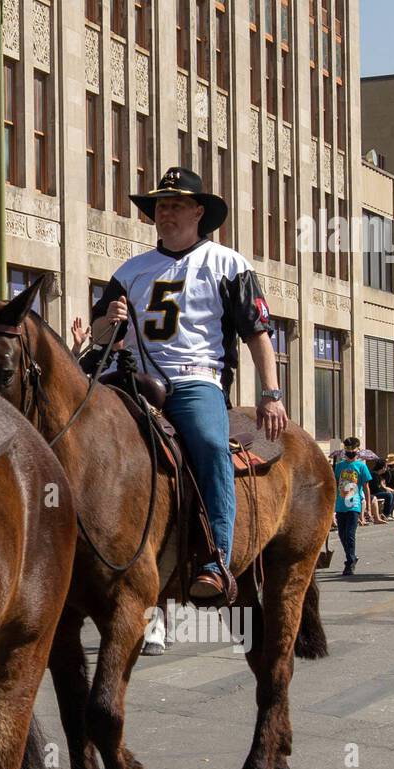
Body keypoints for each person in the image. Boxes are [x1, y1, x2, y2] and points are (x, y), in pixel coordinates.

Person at [90, 167, 284, 605]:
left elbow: (257, 332)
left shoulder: (228, 263)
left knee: (209, 443)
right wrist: (109, 321)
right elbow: (102, 337)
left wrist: (271, 394)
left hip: (195, 378)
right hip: (130, 377)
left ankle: (216, 556)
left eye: (176, 204)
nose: (166, 212)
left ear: (199, 211)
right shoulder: (131, 270)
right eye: (160, 205)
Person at [333, 437, 373, 576]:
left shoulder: (361, 466)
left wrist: (367, 506)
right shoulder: (339, 466)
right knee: (342, 534)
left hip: (354, 504)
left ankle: (349, 563)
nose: (350, 452)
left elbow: (366, 487)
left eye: (352, 450)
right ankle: (352, 557)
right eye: (347, 450)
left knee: (350, 534)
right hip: (340, 504)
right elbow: (334, 485)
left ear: (357, 450)